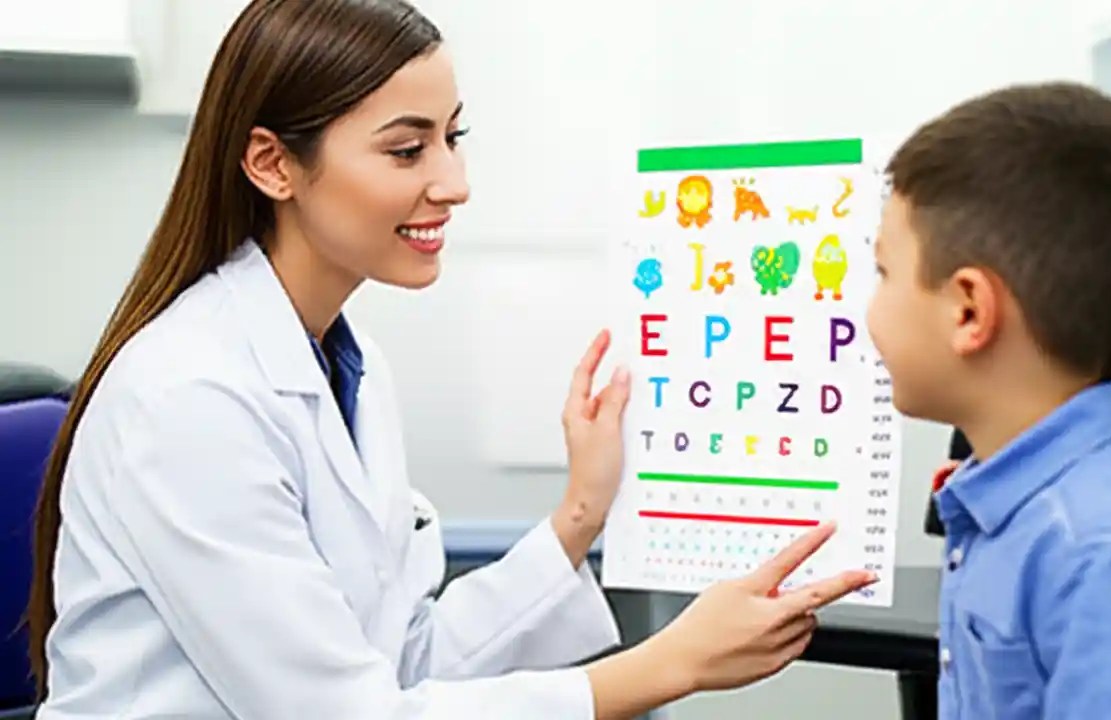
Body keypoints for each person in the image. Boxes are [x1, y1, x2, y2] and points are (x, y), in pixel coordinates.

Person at [24, 1, 876, 718]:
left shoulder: (349, 369)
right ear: (272, 163)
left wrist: (582, 509)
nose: (455, 181)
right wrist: (671, 665)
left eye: (453, 137)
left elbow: (402, 654)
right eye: (408, 149)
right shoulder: (187, 397)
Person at [866, 81, 1111, 718]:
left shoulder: (1104, 553)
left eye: (884, 273)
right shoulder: (1008, 501)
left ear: (969, 309)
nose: (869, 310)